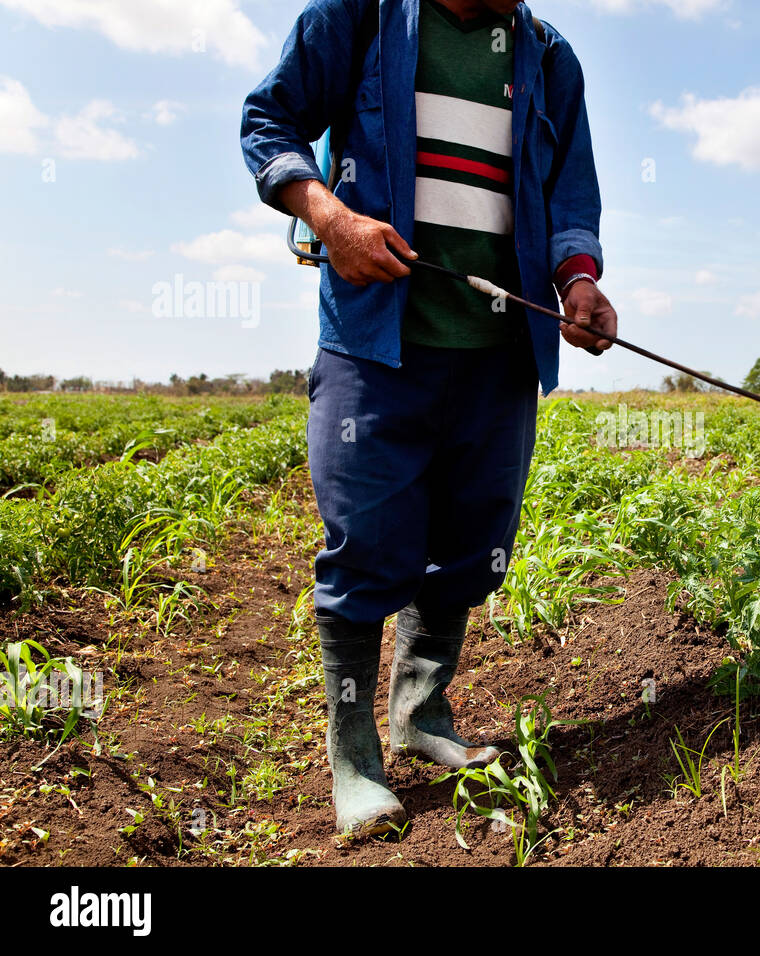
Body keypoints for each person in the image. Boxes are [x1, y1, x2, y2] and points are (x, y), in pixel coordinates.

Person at [240, 0, 616, 839]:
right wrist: (330, 217)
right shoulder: (357, 19)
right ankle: (353, 755)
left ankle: (421, 710)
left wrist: (579, 281)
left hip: (498, 351)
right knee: (367, 541)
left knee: (473, 537)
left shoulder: (549, 57)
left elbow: (570, 193)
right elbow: (270, 120)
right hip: (378, 344)